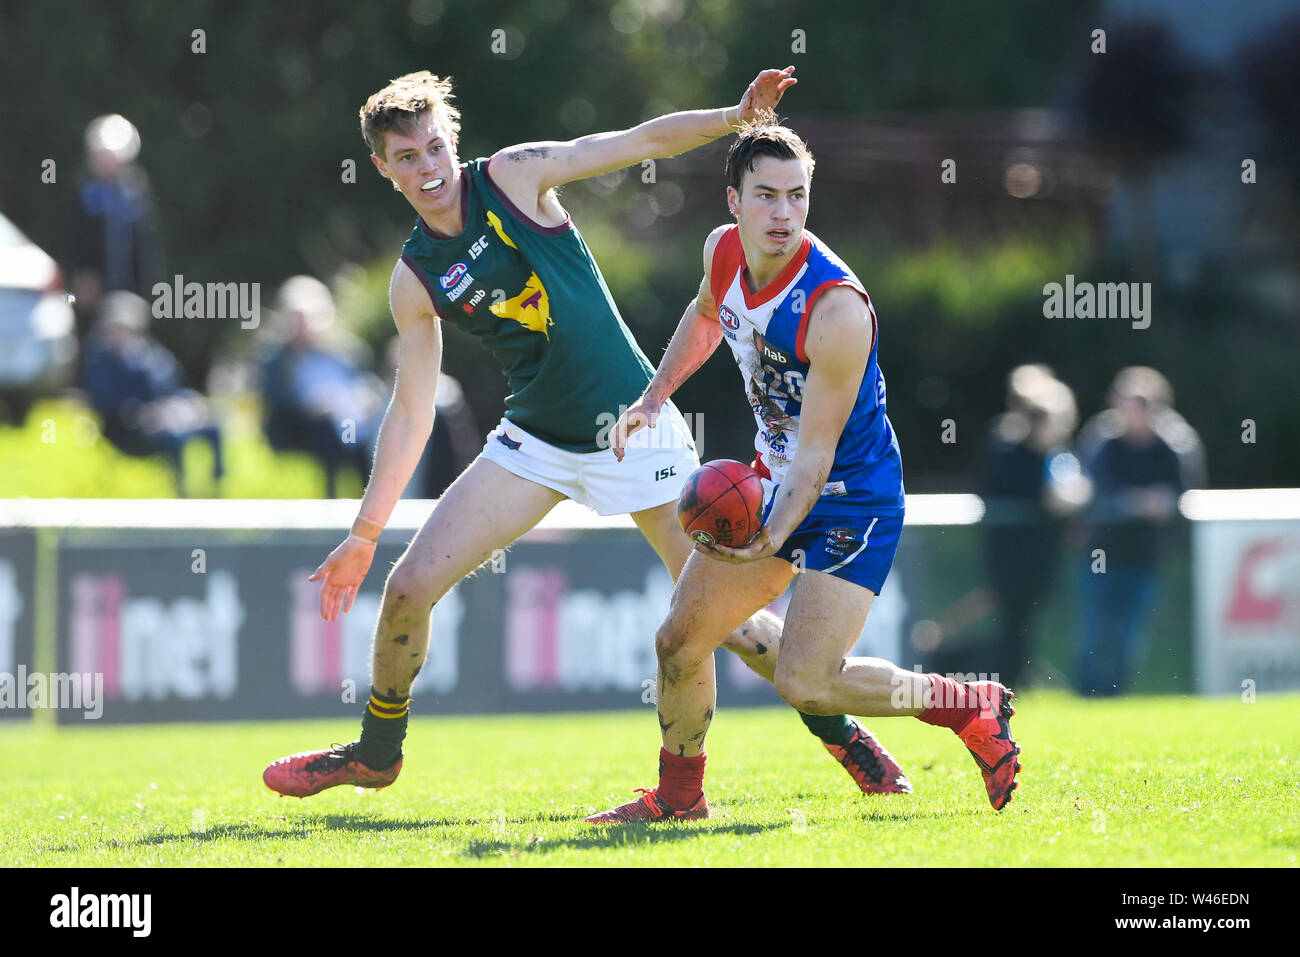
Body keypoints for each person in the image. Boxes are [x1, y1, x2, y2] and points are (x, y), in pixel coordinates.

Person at [263, 68, 912, 800]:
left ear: (453, 143)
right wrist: (363, 531)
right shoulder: (415, 279)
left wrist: (733, 116)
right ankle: (377, 753)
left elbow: (633, 141)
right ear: (382, 167)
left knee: (714, 626)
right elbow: (412, 409)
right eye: (406, 156)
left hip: (632, 427)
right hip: (535, 440)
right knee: (408, 587)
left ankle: (843, 734)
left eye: (435, 147)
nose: (428, 167)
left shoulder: (511, 178)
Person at [585, 122, 1020, 823]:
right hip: (774, 477)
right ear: (734, 200)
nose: (783, 213)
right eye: (765, 196)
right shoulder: (722, 252)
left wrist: (769, 535)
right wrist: (653, 397)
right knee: (680, 638)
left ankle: (965, 703)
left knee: (809, 682)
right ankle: (678, 798)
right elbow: (705, 316)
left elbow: (816, 455)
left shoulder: (836, 307)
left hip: (854, 502)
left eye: (796, 196)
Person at [1075, 367, 1198, 696]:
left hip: (1147, 559)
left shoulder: (1174, 446)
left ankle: (1116, 698)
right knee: (1094, 633)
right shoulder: (1103, 441)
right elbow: (1090, 488)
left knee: (1129, 638)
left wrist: (1161, 503)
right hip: (1102, 555)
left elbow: (1182, 494)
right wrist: (1136, 502)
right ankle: (1085, 699)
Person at [979, 365, 1090, 688]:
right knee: (1012, 629)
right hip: (1011, 557)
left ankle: (1014, 683)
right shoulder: (1008, 446)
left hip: (1041, 556)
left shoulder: (1055, 453)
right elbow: (1052, 498)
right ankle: (1005, 687)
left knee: (1024, 628)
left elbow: (1076, 490)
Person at [82, 291, 223, 487]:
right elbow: (107, 404)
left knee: (213, 426)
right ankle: (181, 492)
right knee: (175, 438)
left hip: (164, 419)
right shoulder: (101, 363)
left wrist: (189, 403)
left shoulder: (151, 356)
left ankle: (217, 486)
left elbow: (173, 388)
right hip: (128, 432)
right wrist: (142, 413)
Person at [261, 276, 386, 497]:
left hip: (346, 422)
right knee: (329, 435)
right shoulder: (277, 360)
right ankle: (331, 498)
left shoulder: (344, 353)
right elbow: (276, 399)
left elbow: (365, 383)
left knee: (360, 436)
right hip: (299, 427)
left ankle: (371, 499)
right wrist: (310, 406)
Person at [70, 115, 163, 336]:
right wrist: (81, 277)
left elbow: (145, 247)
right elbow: (72, 240)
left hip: (128, 293)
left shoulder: (136, 195)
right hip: (91, 296)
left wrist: (146, 292)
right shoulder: (83, 194)